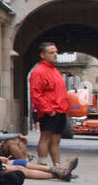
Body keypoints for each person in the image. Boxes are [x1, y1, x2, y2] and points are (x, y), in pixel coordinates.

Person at [29, 42, 74, 170]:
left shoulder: (54, 70)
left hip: (60, 110)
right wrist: (48, 110)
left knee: (56, 140)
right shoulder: (39, 71)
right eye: (51, 52)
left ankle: (58, 166)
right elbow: (36, 94)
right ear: (43, 55)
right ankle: (42, 164)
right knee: (45, 137)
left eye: (56, 52)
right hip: (50, 111)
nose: (55, 55)